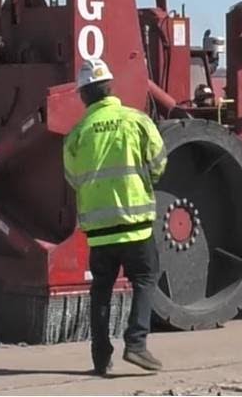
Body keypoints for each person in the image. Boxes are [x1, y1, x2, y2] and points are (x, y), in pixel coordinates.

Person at [63, 57, 166, 376]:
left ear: (83, 95)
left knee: (101, 290)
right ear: (110, 88)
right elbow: (160, 161)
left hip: (99, 230)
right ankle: (135, 344)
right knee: (145, 280)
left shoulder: (77, 134)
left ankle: (100, 356)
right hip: (136, 226)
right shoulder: (136, 121)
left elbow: (71, 176)